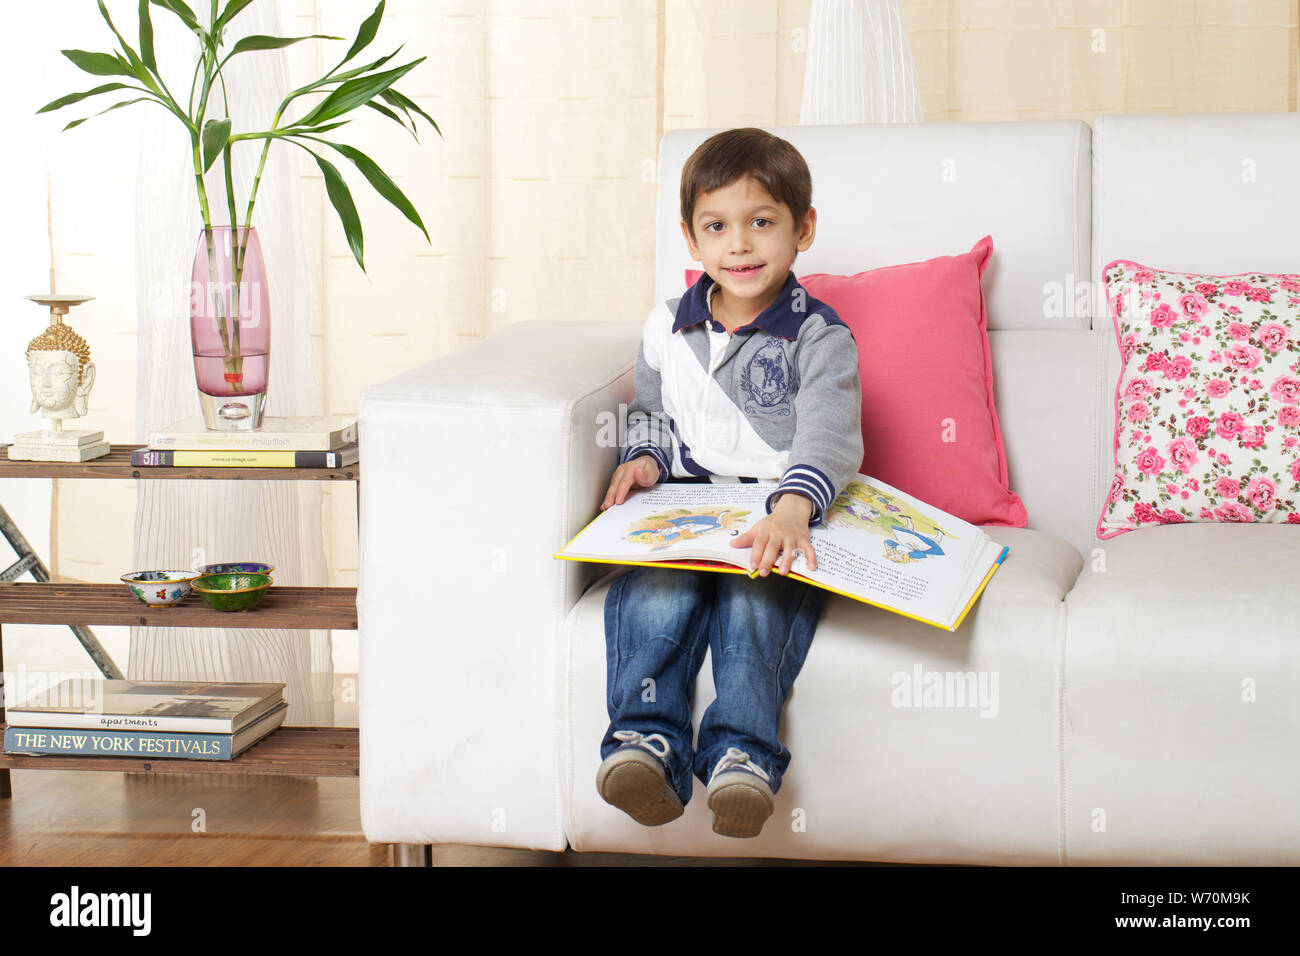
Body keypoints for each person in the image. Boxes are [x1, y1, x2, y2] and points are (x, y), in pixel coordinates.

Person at [595, 128, 864, 838]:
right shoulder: (667, 328)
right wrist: (646, 457)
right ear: (691, 239)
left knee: (755, 601)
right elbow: (654, 409)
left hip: (776, 513)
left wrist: (794, 509)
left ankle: (744, 754)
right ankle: (643, 742)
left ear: (803, 229)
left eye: (762, 223)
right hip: (689, 508)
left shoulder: (820, 337)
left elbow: (827, 435)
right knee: (656, 590)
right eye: (718, 227)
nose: (739, 246)